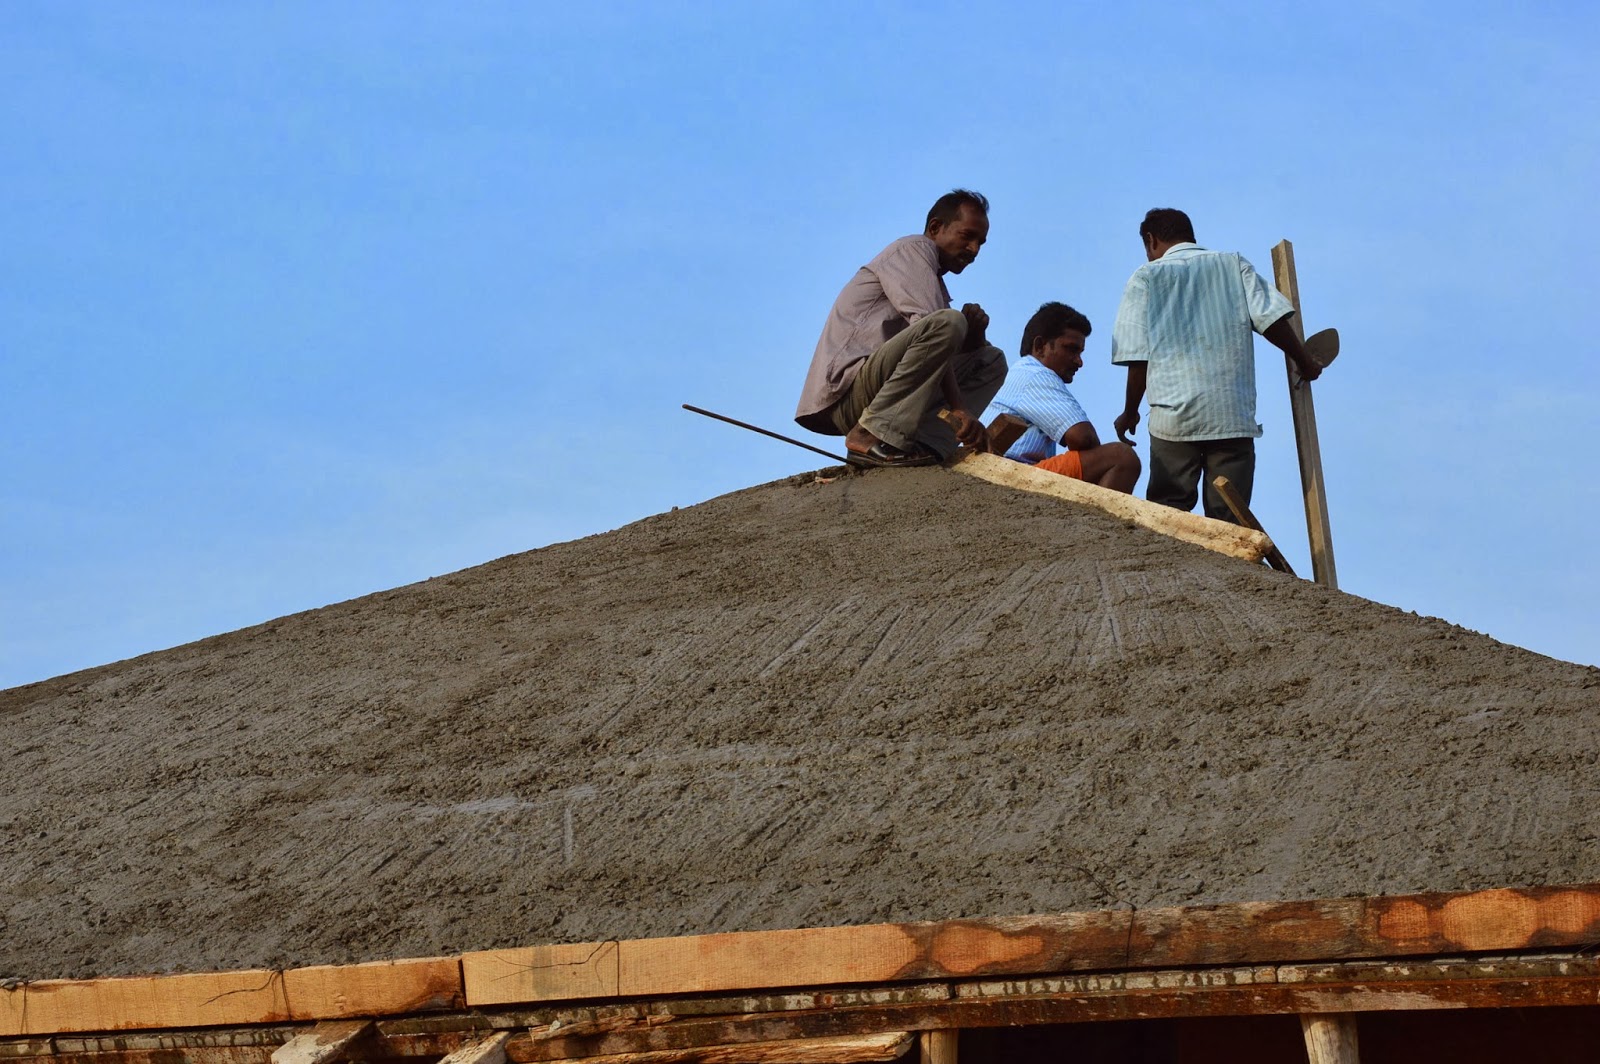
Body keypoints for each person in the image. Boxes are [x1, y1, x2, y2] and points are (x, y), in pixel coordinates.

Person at [1111, 208, 1323, 521]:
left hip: (1173, 420)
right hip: (1231, 416)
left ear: (1151, 240)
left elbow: (1138, 356)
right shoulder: (1232, 264)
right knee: (1230, 520)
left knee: (1169, 513)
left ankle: (1171, 570)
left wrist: (1130, 411)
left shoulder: (1146, 276)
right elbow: (1272, 320)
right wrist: (1304, 361)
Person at [795, 190, 1008, 467]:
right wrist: (959, 408)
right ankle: (869, 435)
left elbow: (928, 352)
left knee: (990, 360)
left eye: (980, 242)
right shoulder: (913, 249)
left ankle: (926, 446)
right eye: (967, 236)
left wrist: (974, 341)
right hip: (848, 393)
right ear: (935, 228)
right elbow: (933, 327)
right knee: (949, 322)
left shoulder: (935, 285)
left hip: (881, 391)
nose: (974, 249)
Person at [985, 302, 1141, 493]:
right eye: (1071, 349)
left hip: (1006, 473)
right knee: (1121, 457)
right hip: (1006, 475)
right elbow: (1083, 438)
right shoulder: (1035, 373)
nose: (1079, 361)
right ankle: (1097, 522)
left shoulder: (1023, 373)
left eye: (1080, 352)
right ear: (1040, 346)